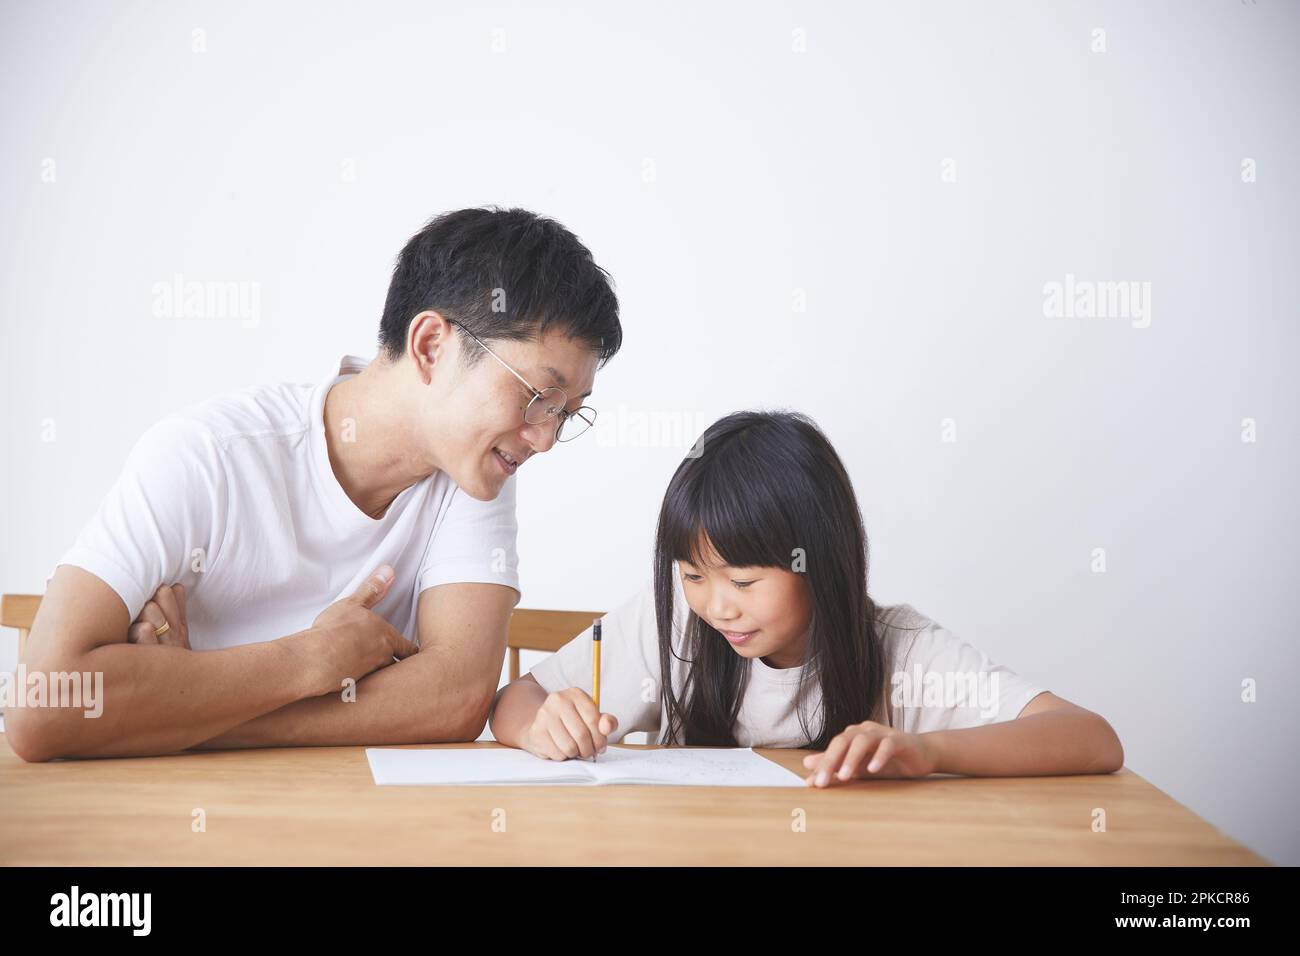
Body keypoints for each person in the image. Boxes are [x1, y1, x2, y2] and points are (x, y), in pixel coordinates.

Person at [9, 207, 622, 761]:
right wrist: (313, 659)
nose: (543, 439)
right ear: (432, 345)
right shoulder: (207, 456)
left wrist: (177, 709)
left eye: (566, 413)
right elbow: (42, 705)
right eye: (538, 396)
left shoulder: (475, 470)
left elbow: (457, 698)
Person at [489, 410, 1124, 784]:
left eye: (743, 581)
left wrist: (929, 751)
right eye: (691, 573)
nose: (717, 606)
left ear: (818, 562)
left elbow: (1090, 738)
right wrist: (543, 726)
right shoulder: (674, 626)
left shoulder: (902, 651)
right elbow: (518, 699)